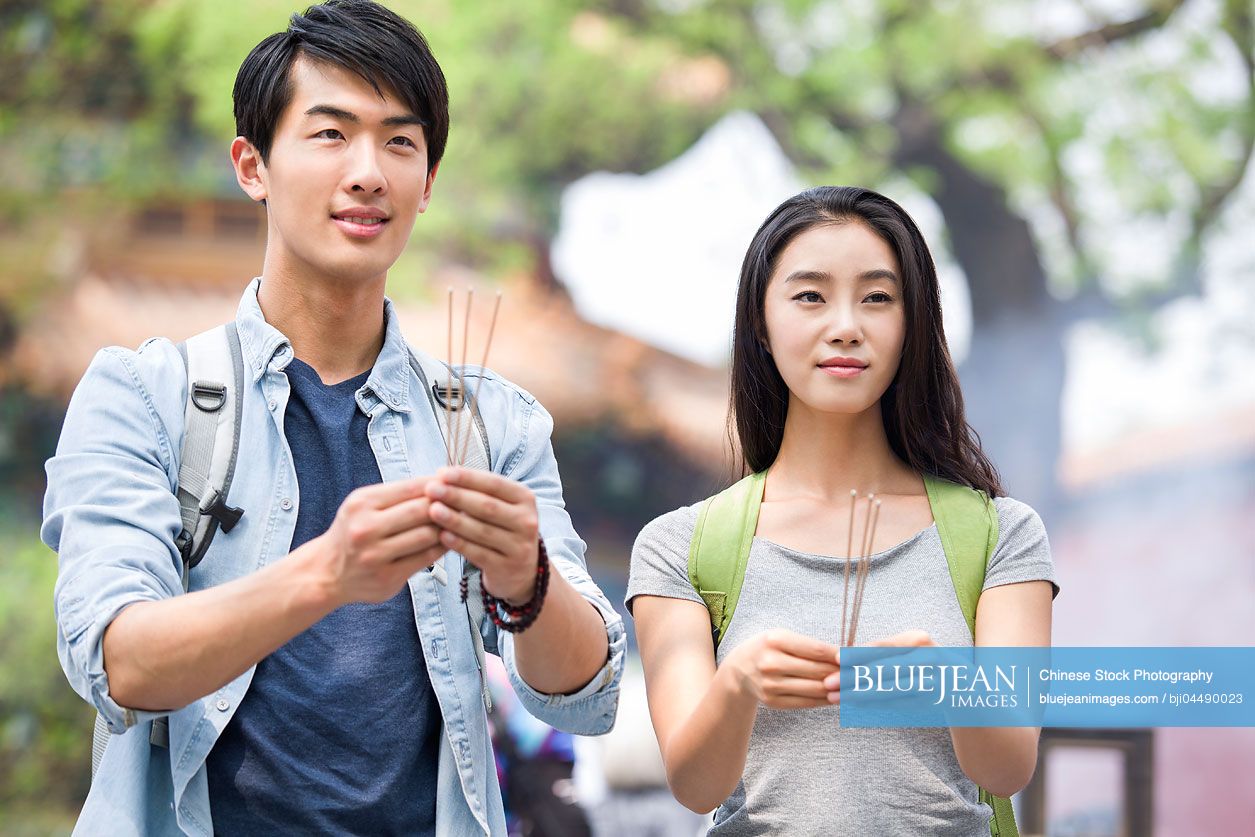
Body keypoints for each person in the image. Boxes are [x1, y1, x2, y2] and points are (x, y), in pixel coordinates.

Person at [41, 2, 623, 834]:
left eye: (399, 141)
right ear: (252, 164)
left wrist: (525, 579)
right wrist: (327, 574)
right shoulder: (144, 395)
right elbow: (116, 659)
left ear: (427, 185)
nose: (368, 172)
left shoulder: (492, 421)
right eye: (329, 133)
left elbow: (586, 693)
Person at [626, 186, 1058, 834]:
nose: (846, 325)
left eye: (877, 297)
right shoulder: (678, 546)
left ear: (912, 325)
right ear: (760, 326)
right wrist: (738, 681)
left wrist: (950, 682)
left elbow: (1008, 767)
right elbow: (695, 784)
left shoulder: (1003, 535)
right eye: (810, 296)